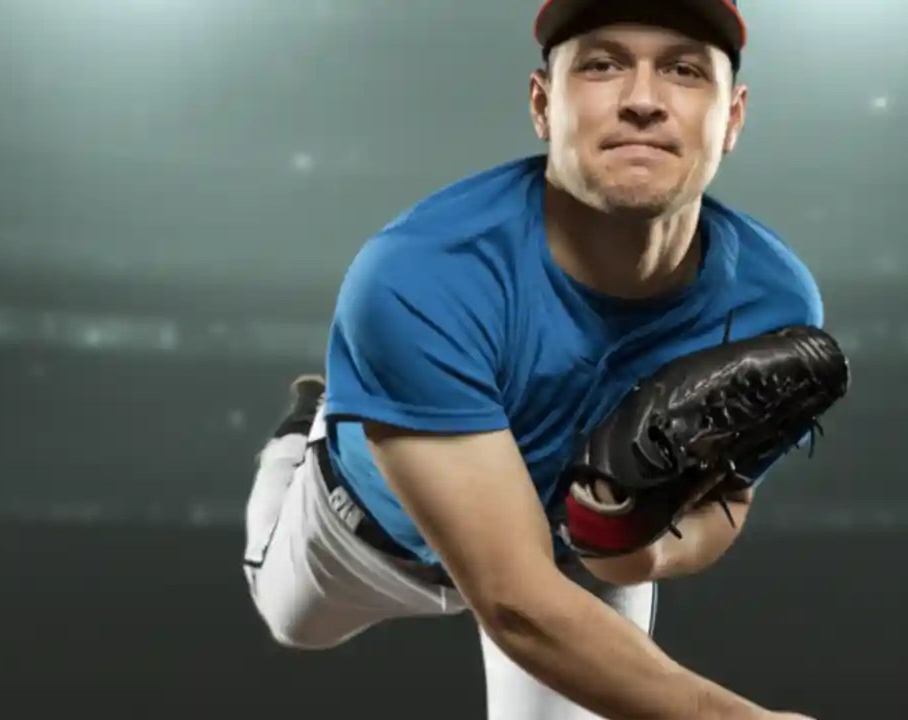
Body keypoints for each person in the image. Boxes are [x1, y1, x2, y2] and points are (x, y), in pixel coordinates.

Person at [242, 1, 824, 718]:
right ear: (543, 104)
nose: (643, 101)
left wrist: (639, 550)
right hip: (372, 533)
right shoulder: (421, 273)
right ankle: (304, 433)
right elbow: (515, 600)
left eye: (682, 69)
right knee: (290, 621)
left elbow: (729, 500)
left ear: (731, 118)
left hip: (569, 553)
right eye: (603, 65)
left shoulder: (773, 302)